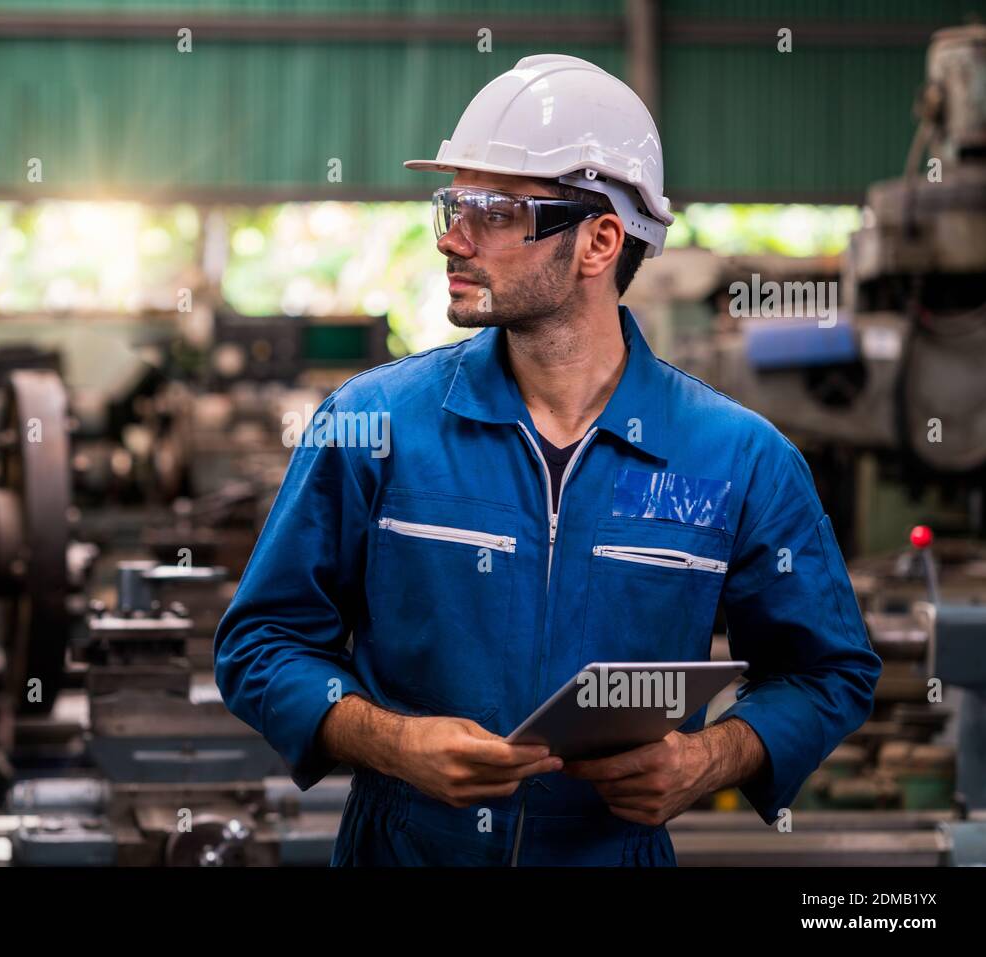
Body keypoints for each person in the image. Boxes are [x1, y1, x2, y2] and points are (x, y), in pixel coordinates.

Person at [214, 54, 881, 865]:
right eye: (452, 205)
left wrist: (712, 756)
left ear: (600, 240)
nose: (451, 240)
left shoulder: (739, 457)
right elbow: (260, 645)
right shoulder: (369, 425)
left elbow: (827, 672)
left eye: (493, 212)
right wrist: (392, 743)